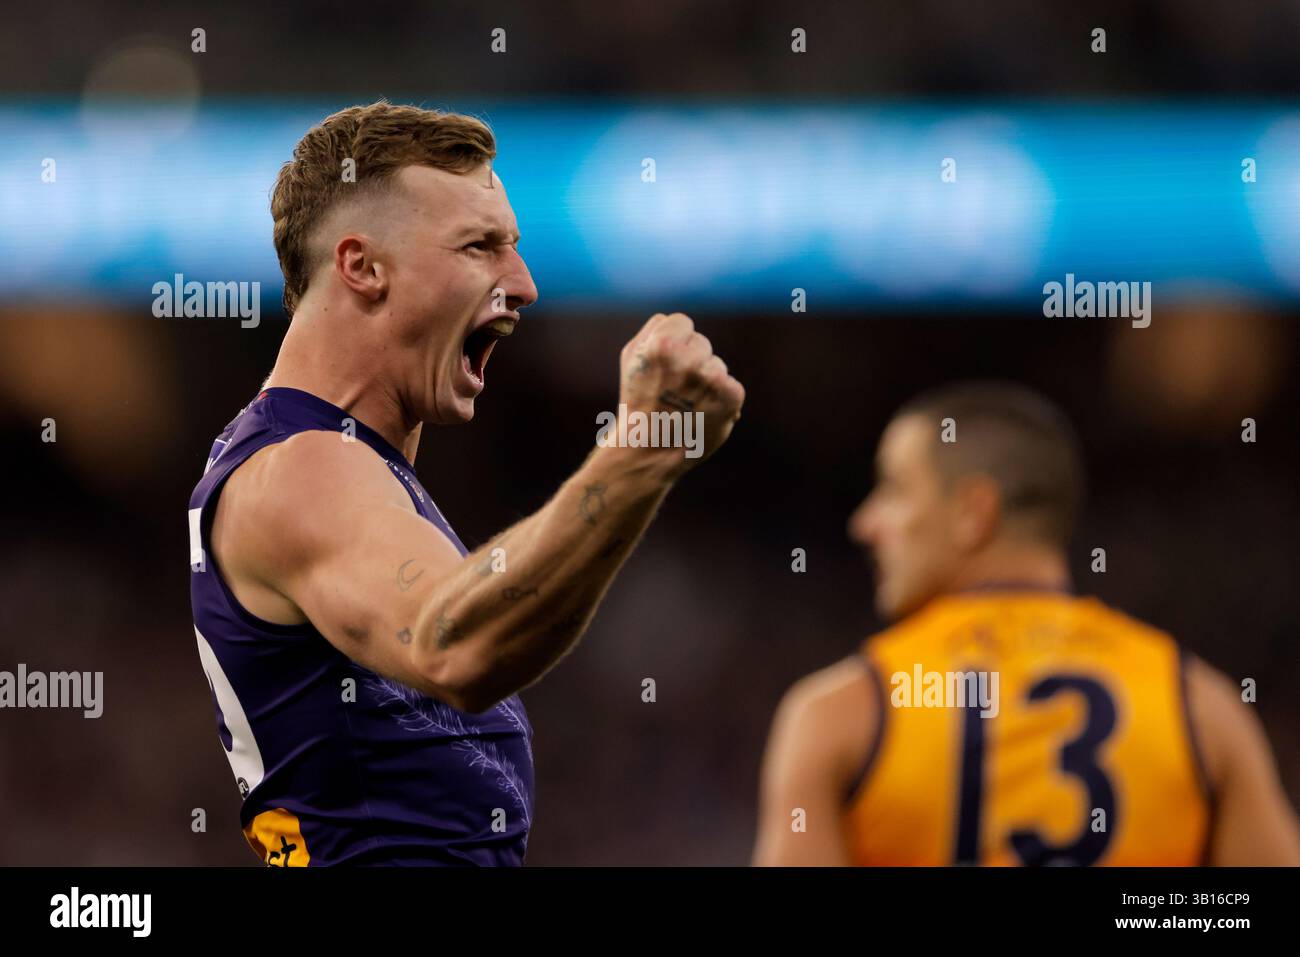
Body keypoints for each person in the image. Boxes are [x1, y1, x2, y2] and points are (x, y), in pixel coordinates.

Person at [188, 101, 744, 865]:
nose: (524, 283)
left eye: (511, 246)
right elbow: (458, 647)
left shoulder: (339, 467)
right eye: (480, 246)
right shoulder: (302, 468)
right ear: (362, 266)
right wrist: (640, 449)